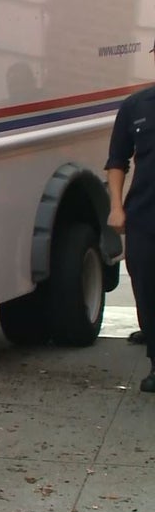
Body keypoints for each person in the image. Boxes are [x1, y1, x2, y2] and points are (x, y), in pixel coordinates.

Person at [105, 39, 155, 392]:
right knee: (148, 292)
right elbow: (117, 161)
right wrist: (116, 206)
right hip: (144, 217)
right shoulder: (136, 107)